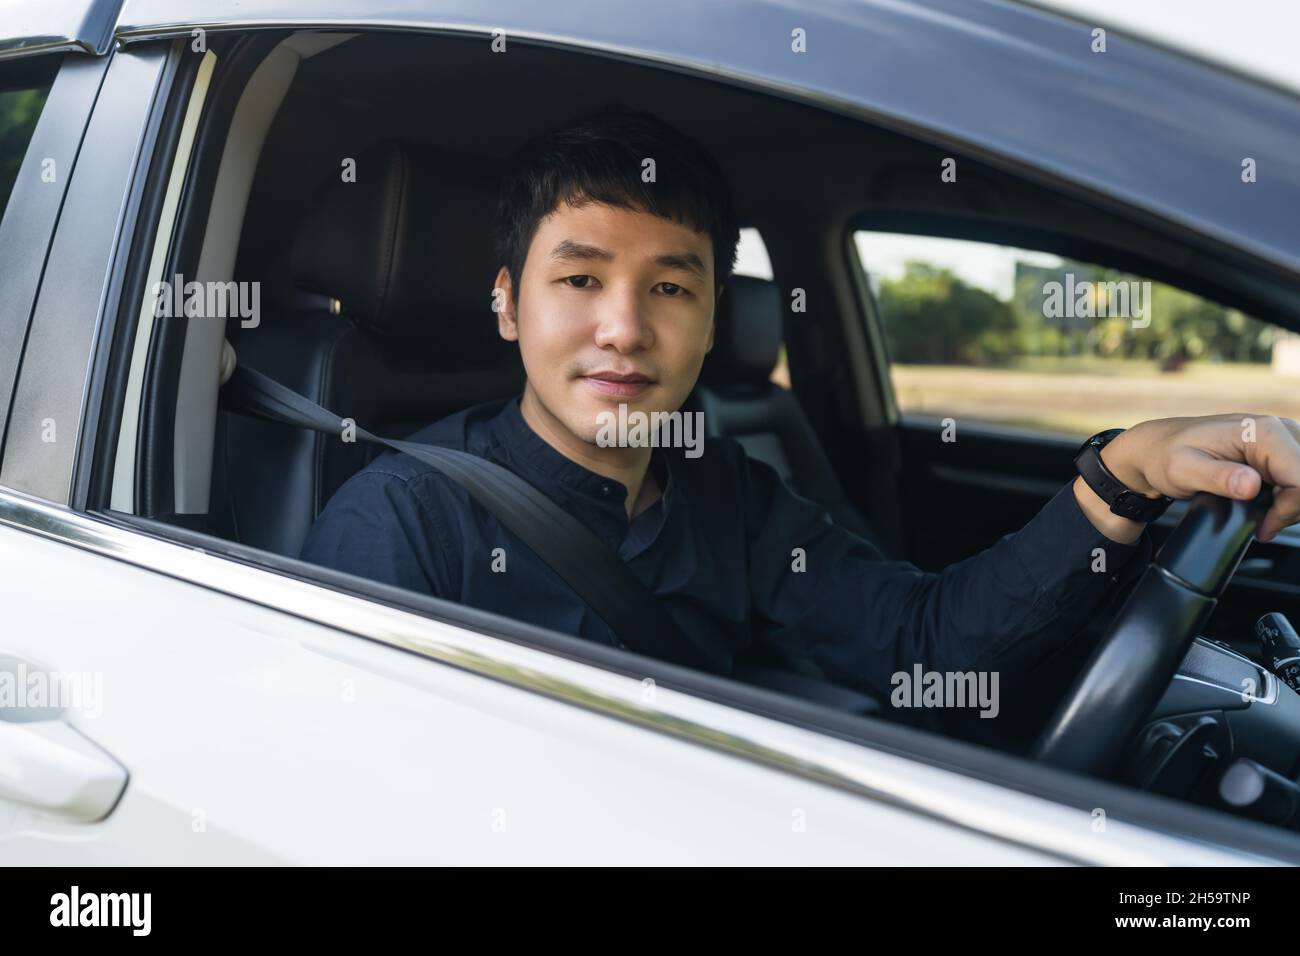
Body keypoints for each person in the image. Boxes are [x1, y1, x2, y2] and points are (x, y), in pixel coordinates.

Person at [301, 105, 1300, 704]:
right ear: (506, 304)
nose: (623, 328)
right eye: (579, 280)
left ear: (709, 318)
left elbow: (925, 647)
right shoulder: (398, 523)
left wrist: (1118, 471)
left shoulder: (726, 494)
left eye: (670, 286)